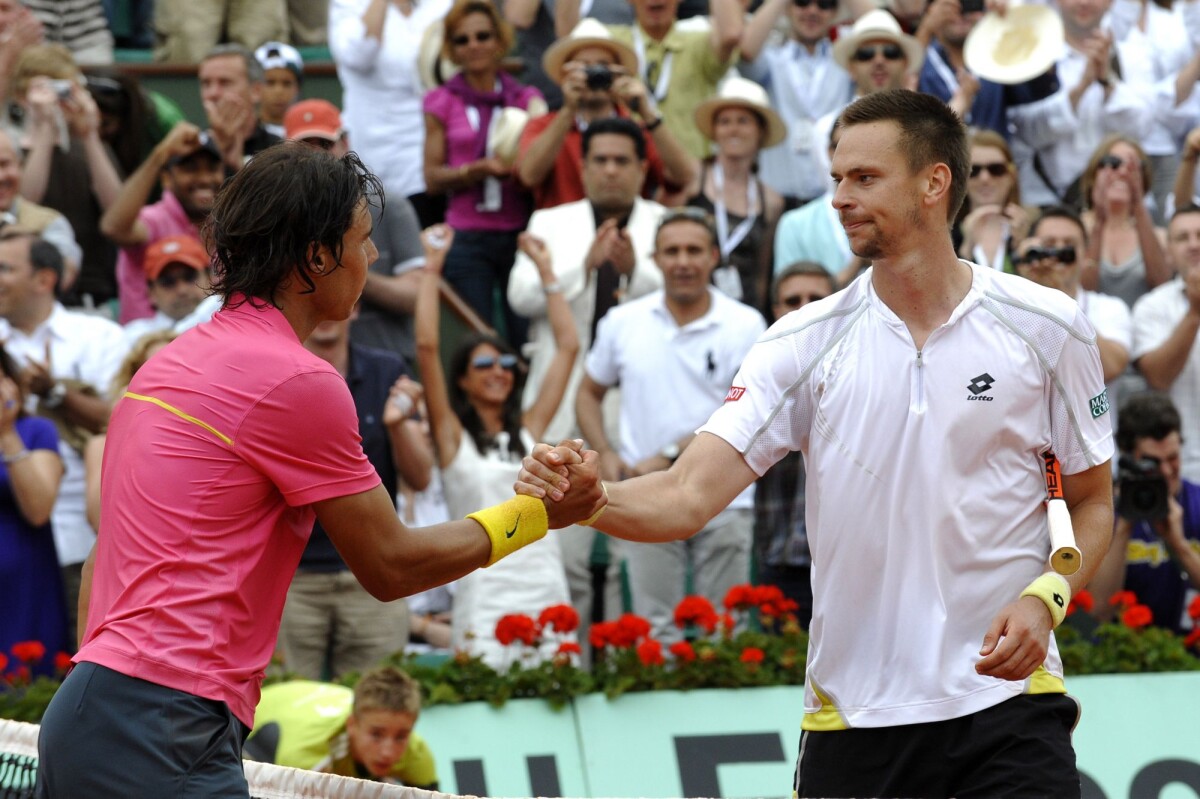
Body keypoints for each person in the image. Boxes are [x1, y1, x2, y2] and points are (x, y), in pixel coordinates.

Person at [520, 89, 1115, 797]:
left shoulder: (1049, 325)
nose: (839, 198)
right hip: (852, 720)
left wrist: (1047, 597)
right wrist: (593, 501)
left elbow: (1091, 501)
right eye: (836, 178)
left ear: (934, 182)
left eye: (864, 178)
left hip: (1010, 710)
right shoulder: (800, 342)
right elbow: (685, 495)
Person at [35, 143, 597, 798]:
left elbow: (101, 561)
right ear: (317, 256)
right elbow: (391, 566)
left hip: (94, 711)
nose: (374, 256)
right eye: (362, 239)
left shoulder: (164, 366)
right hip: (163, 724)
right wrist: (536, 514)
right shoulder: (297, 380)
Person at [508, 116, 665, 647]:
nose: (610, 170)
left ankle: (627, 658)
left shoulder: (663, 221)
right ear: (584, 166)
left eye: (622, 161)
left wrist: (635, 272)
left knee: (630, 539)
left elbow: (684, 297)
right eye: (600, 160)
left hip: (634, 400)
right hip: (561, 390)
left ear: (642, 169)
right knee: (560, 534)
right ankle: (567, 661)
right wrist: (585, 266)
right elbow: (521, 297)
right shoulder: (551, 220)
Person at [575, 207, 766, 642]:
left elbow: (751, 410)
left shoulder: (746, 324)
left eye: (694, 251)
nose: (683, 262)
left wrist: (671, 454)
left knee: (725, 633)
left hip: (727, 496)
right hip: (645, 494)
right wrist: (606, 452)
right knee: (653, 631)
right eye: (672, 251)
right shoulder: (622, 322)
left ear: (714, 256)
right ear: (655, 258)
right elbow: (587, 393)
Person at [417, 222, 578, 666]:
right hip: (483, 592)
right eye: (484, 364)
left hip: (545, 583)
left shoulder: (530, 429)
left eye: (506, 362)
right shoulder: (452, 435)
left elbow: (568, 348)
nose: (498, 371)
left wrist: (547, 272)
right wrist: (432, 268)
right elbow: (427, 347)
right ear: (462, 380)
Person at [278, 311, 434, 680]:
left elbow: (421, 477)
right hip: (289, 579)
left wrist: (397, 425)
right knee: (282, 705)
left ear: (355, 305)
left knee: (378, 702)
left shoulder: (387, 369)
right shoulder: (273, 371)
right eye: (312, 297)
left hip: (372, 576)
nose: (326, 313)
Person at [0, 230, 126, 650]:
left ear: (44, 279)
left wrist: (57, 393)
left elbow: (125, 420)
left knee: (74, 664)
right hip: (10, 542)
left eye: (5, 268)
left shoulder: (100, 337)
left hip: (81, 536)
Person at [422, 0, 546, 344]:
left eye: (483, 36)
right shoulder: (441, 101)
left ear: (499, 40)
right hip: (467, 235)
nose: (474, 45)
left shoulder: (525, 98)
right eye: (462, 40)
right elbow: (432, 178)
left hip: (519, 231)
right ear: (451, 49)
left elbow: (540, 167)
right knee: (477, 342)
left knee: (526, 338)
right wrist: (474, 171)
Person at [285, 98, 427, 364]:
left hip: (388, 366)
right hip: (303, 368)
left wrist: (348, 266)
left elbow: (418, 296)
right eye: (304, 148)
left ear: (345, 143)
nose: (316, 157)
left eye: (325, 144)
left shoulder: (390, 207)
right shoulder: (279, 216)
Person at [515, 18, 692, 211]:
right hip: (562, 228)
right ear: (566, 74)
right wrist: (568, 111)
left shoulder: (636, 130)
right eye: (584, 67)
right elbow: (529, 176)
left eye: (603, 66)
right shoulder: (543, 126)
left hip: (625, 227)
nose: (594, 74)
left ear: (618, 73)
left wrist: (647, 112)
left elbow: (682, 178)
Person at [751, 261, 834, 627]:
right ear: (775, 310)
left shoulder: (875, 368)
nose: (805, 309)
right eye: (792, 300)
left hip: (852, 566)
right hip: (780, 558)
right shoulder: (759, 373)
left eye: (817, 299)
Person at [555, 0, 743, 160]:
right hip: (629, 171)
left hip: (690, 176)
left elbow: (731, 34)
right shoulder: (614, 43)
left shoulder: (699, 42)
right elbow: (568, 34)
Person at [329, 0, 454, 229]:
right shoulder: (349, 5)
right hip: (378, 161)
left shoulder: (441, 5)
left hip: (436, 158)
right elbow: (359, 53)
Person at [1088, 392, 1200, 634]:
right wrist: (1125, 524)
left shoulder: (1196, 502)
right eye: (1152, 462)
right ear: (1128, 457)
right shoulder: (1103, 511)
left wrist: (1179, 546)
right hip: (1125, 648)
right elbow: (1099, 610)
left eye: (1172, 458)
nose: (1166, 471)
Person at [100, 121, 224, 323]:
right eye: (191, 168)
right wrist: (160, 154)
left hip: (213, 339)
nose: (204, 178)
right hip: (149, 340)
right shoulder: (153, 219)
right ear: (166, 178)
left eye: (212, 168)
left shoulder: (230, 226)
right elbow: (113, 228)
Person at [738, 0, 854, 208]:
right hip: (778, 201)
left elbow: (881, 28)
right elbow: (745, 52)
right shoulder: (772, 60)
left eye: (824, 4)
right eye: (802, 2)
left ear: (835, 12)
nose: (812, 11)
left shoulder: (847, 62)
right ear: (787, 8)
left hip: (836, 198)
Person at [684, 77, 786, 314]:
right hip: (691, 307)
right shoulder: (693, 178)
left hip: (743, 313)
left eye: (743, 121)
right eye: (724, 121)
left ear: (760, 131)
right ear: (714, 131)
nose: (733, 129)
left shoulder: (771, 201)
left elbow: (762, 273)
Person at [245, 666, 437, 787]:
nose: (387, 752)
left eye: (401, 737)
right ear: (352, 724)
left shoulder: (416, 752)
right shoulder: (307, 755)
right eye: (376, 735)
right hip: (259, 722)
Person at [0, 342, 66, 675]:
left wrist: (6, 432)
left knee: (27, 688)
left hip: (25, 584)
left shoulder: (36, 431)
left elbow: (39, 509)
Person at [1014, 207, 1131, 387]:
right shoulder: (1011, 306)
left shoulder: (1109, 308)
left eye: (1069, 245)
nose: (1059, 252)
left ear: (1086, 255)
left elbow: (1111, 368)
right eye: (1049, 245)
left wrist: (1059, 298)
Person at [1131, 205, 1200, 482]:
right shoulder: (1151, 306)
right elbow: (1158, 378)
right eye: (1182, 238)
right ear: (1168, 251)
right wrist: (1194, 313)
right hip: (1177, 470)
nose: (1194, 244)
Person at [1077, 135, 1170, 309]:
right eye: (1112, 163)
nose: (1122, 172)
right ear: (1093, 174)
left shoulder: (1159, 237)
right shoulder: (1073, 229)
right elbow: (1080, 293)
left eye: (1134, 167)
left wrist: (1139, 207)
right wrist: (1099, 220)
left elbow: (1162, 288)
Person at [198, 44, 282, 173]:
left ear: (256, 91)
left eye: (225, 82)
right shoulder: (192, 149)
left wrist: (238, 167)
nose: (213, 93)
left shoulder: (281, 150)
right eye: (206, 84)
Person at [955, 129, 1029, 273]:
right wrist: (966, 249)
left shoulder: (1034, 230)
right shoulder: (945, 234)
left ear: (1012, 176)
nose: (985, 178)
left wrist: (1021, 249)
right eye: (974, 170)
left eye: (996, 169)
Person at [121, 234, 212, 345]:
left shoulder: (227, 315)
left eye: (189, 277)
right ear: (151, 293)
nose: (182, 290)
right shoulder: (134, 337)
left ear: (209, 279)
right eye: (168, 282)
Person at [253, 41, 303, 139]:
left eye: (286, 83)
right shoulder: (244, 134)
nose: (278, 91)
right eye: (270, 82)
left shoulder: (309, 133)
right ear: (256, 88)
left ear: (297, 88)